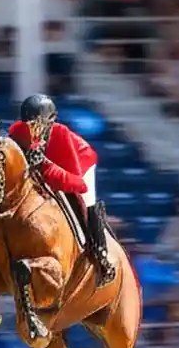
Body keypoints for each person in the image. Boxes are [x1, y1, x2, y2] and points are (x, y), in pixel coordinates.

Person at [7, 94, 115, 286]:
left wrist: (45, 165)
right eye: (29, 124)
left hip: (81, 163)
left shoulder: (61, 137)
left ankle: (101, 256)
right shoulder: (16, 134)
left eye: (38, 124)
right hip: (45, 170)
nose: (33, 130)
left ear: (51, 120)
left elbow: (74, 183)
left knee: (85, 201)